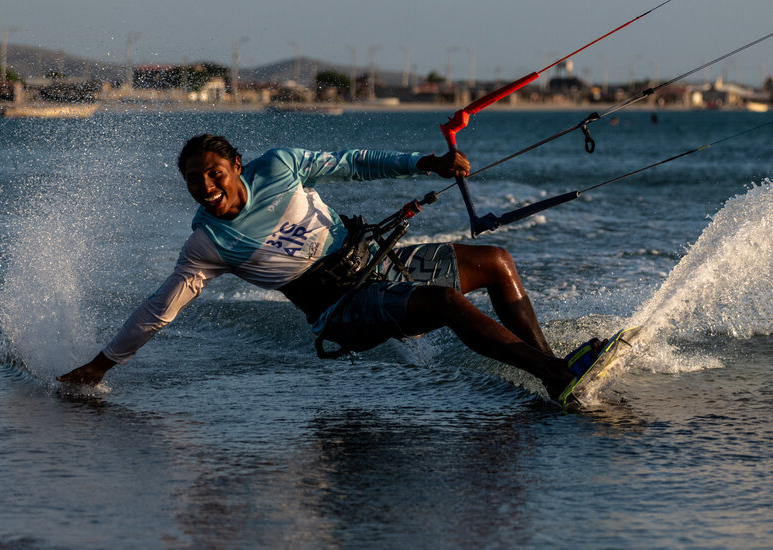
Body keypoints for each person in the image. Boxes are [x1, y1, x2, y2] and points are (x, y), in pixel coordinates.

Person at [56, 135, 602, 402]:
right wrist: (101, 365)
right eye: (195, 180)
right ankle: (553, 374)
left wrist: (425, 163)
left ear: (236, 166)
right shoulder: (208, 243)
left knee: (496, 263)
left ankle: (553, 370)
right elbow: (159, 311)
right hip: (340, 310)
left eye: (214, 172)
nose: (207, 186)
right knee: (444, 304)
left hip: (377, 260)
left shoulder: (280, 166)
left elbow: (354, 163)